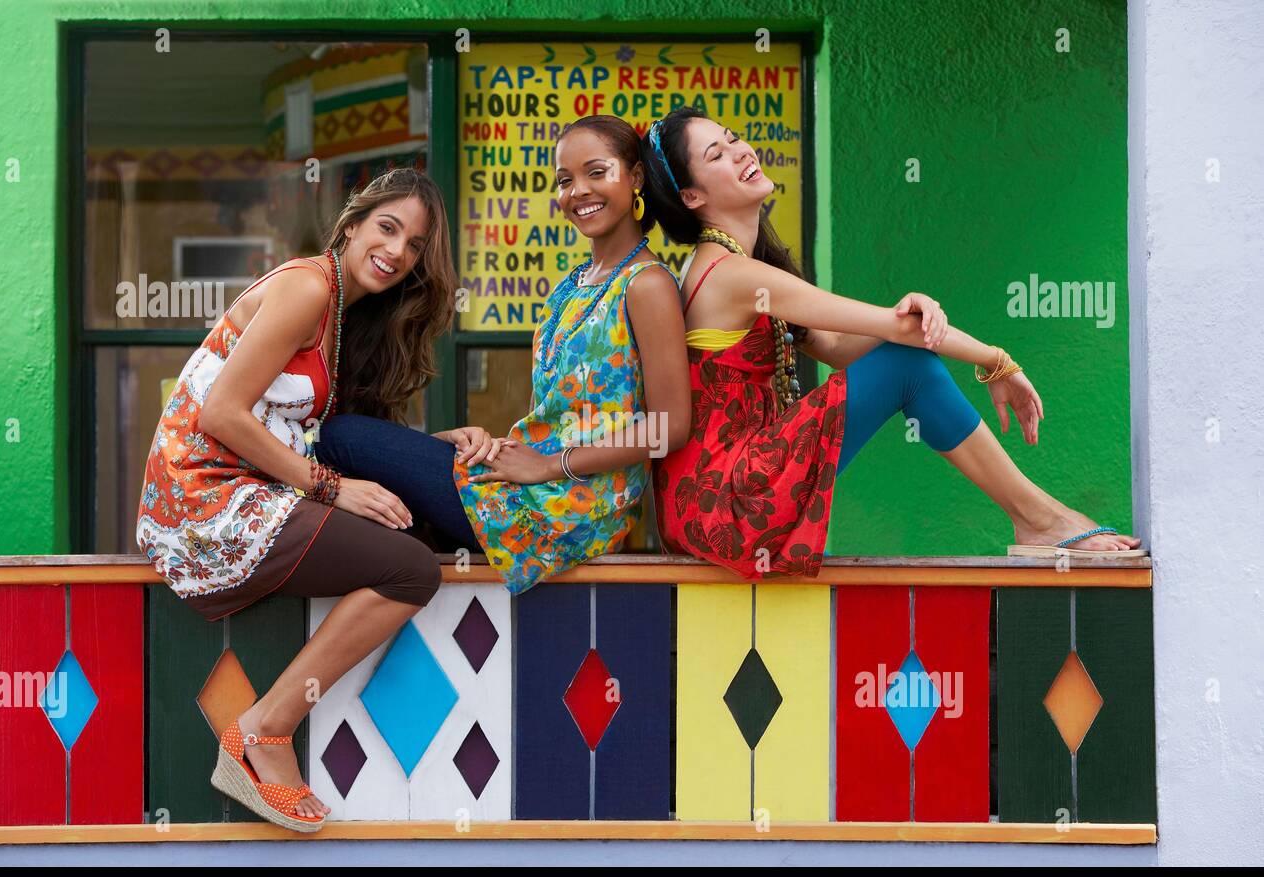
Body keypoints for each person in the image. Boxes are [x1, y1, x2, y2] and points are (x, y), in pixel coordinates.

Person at [638, 106, 1144, 579]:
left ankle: (1039, 516)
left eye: (733, 139)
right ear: (691, 197)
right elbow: (896, 332)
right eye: (717, 155)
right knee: (908, 364)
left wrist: (906, 320)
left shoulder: (736, 268)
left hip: (716, 499)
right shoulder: (730, 274)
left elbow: (835, 345)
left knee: (905, 361)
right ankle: (1038, 518)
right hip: (725, 503)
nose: (742, 151)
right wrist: (995, 361)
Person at [135, 167, 462, 831]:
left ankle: (262, 731)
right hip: (200, 501)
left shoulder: (342, 315)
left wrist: (435, 453)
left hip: (245, 493)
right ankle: (263, 732)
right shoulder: (307, 286)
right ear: (352, 224)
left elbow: (320, 434)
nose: (398, 252)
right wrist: (332, 488)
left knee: (409, 547)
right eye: (388, 228)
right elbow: (220, 414)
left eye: (416, 246)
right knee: (411, 569)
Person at [314, 115, 691, 594]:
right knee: (390, 521)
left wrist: (550, 465)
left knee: (338, 438)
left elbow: (671, 426)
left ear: (634, 178)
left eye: (597, 173)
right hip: (522, 481)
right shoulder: (574, 284)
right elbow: (558, 416)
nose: (579, 191)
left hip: (562, 511)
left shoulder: (648, 284)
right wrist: (491, 446)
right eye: (564, 180)